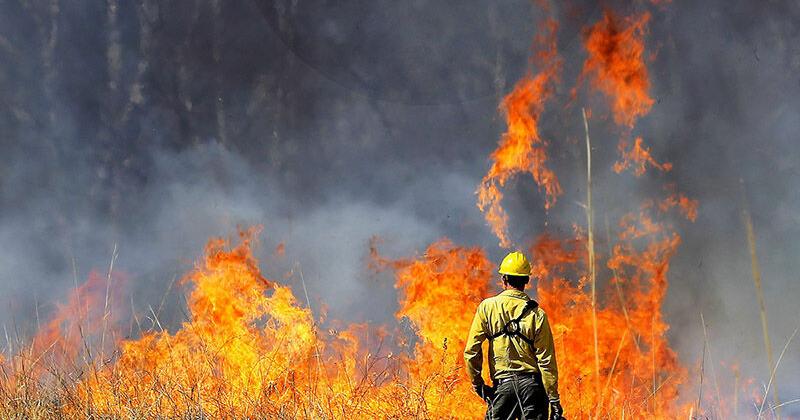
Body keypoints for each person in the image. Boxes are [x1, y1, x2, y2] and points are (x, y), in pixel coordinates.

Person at [464, 251, 564, 420]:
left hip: (502, 388)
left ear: (504, 280)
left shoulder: (487, 308)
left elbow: (471, 352)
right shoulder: (537, 314)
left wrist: (478, 385)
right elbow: (547, 362)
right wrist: (554, 400)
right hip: (533, 389)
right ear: (527, 280)